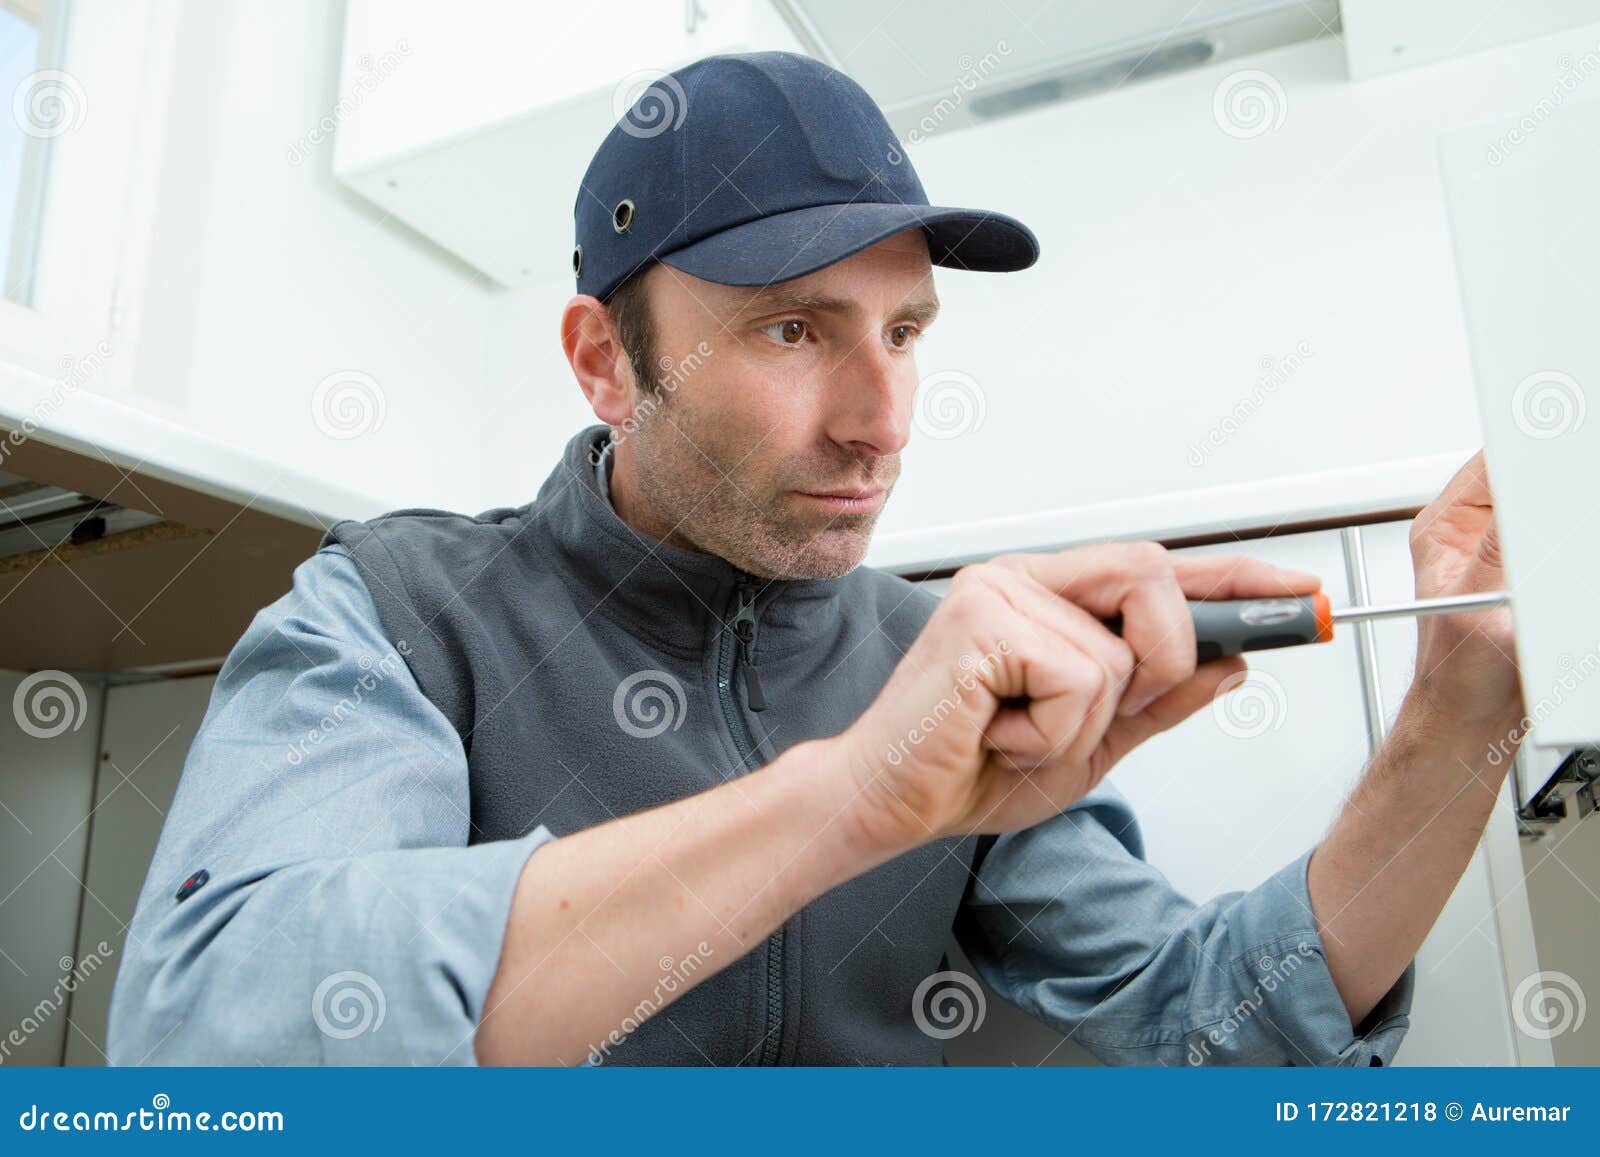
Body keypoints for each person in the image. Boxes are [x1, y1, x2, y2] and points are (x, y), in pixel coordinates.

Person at [106, 52, 1524, 1067]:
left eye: (904, 332)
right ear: (608, 361)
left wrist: (1456, 725)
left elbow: (1223, 1024)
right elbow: (207, 1037)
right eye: (797, 329)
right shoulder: (398, 614)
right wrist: (850, 797)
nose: (881, 420)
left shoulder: (933, 659)